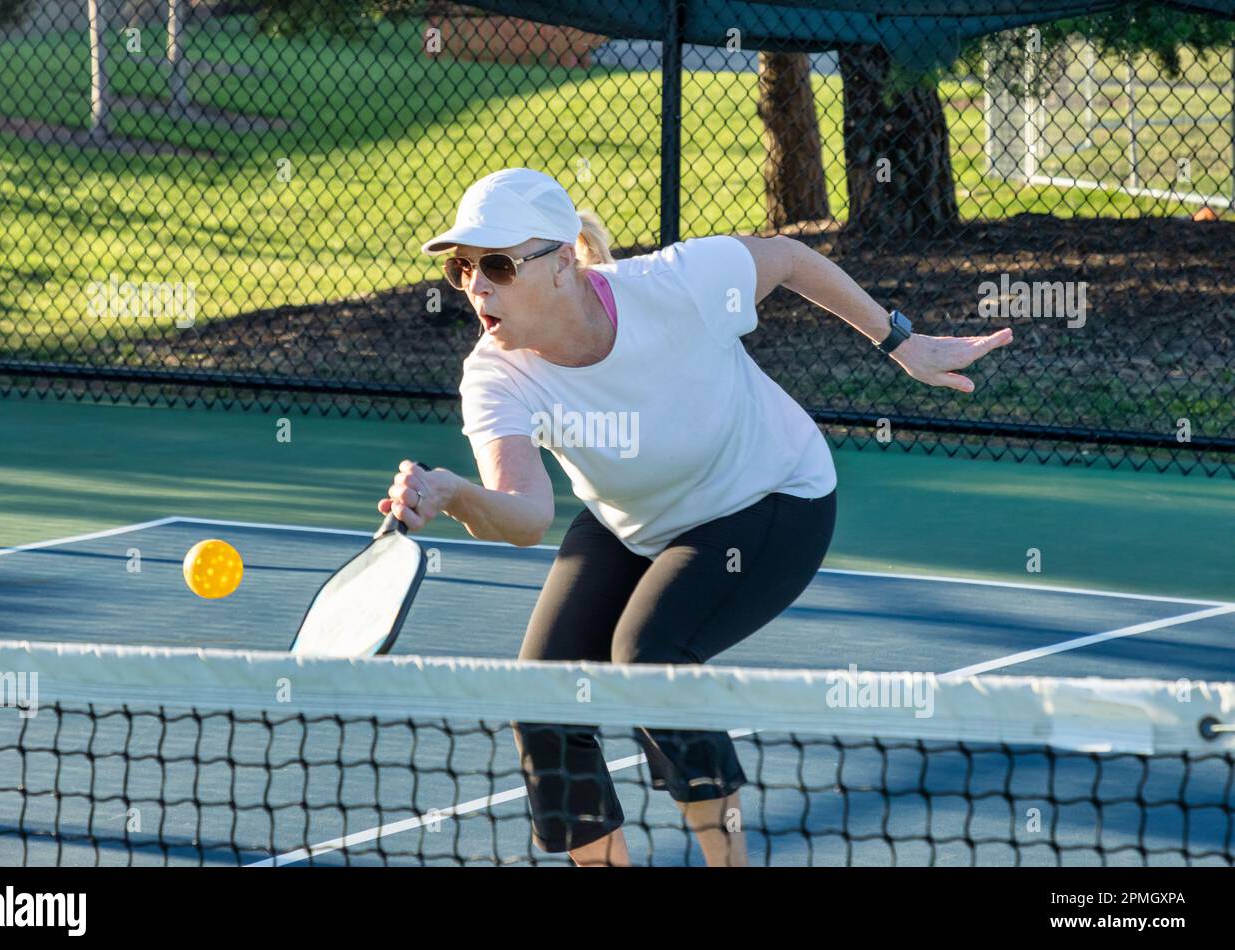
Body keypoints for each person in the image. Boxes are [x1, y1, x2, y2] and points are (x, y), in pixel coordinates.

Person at [378, 167, 1012, 866]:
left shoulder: (678, 284)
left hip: (773, 497)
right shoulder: (496, 374)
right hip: (635, 516)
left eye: (496, 264)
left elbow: (790, 258)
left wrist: (903, 344)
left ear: (562, 262)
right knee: (543, 700)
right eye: (464, 266)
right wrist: (453, 493)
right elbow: (528, 516)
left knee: (650, 659)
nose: (475, 284)